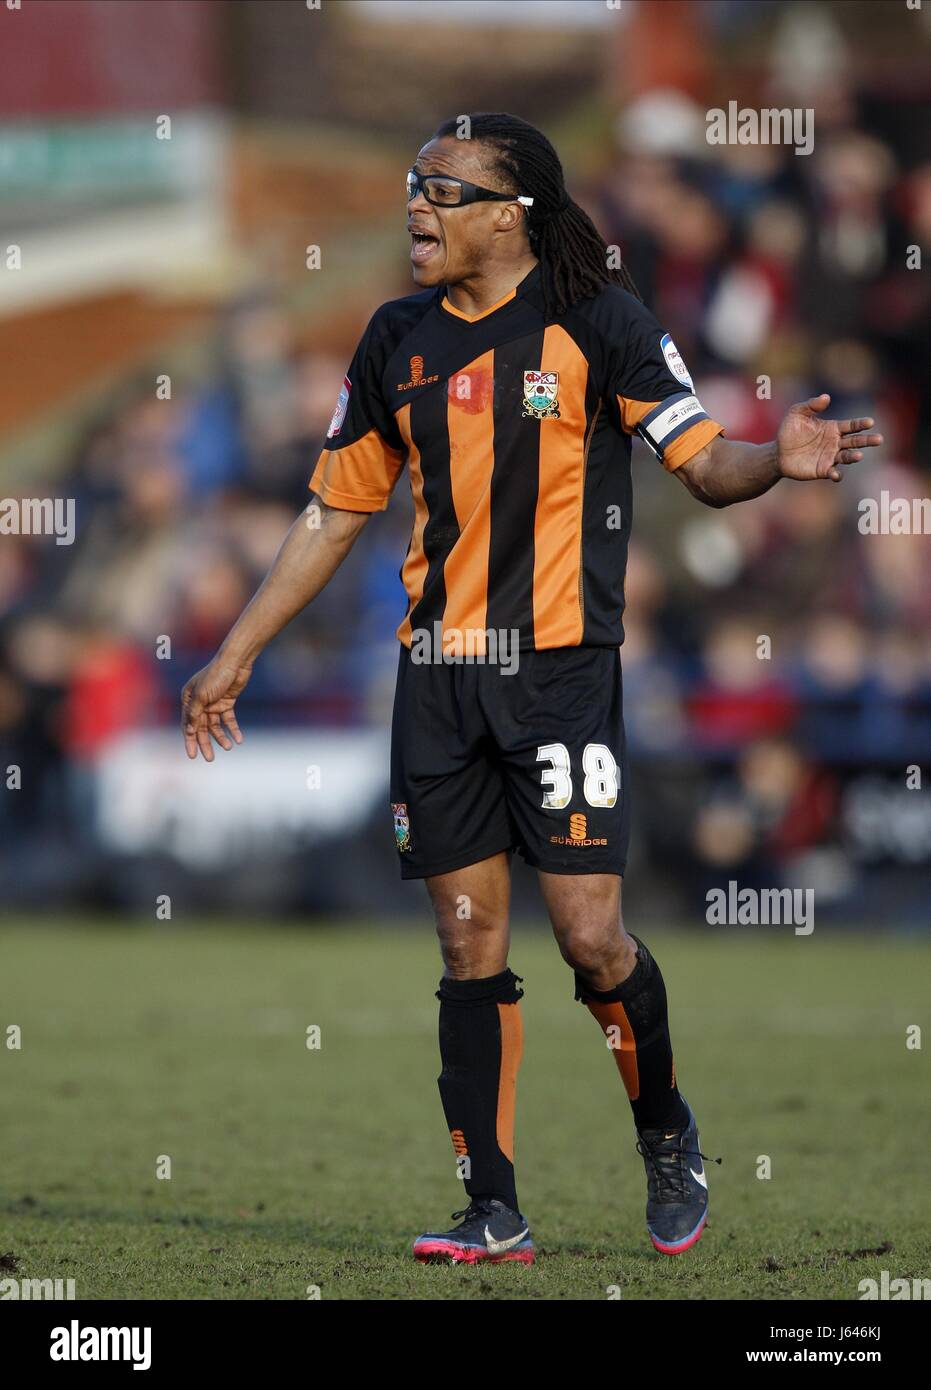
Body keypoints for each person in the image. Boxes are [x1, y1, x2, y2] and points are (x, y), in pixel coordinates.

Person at [181, 113, 882, 1265]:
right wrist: (238, 647)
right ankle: (490, 1204)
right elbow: (333, 510)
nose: (417, 205)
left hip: (561, 680)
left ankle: (665, 1132)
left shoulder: (603, 325)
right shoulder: (390, 338)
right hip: (438, 684)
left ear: (509, 213)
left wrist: (774, 461)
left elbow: (704, 464)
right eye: (413, 184)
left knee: (591, 937)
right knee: (468, 946)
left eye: (443, 190)